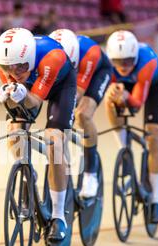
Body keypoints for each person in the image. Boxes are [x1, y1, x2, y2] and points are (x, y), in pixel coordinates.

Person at [0, 28, 77, 241]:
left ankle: (59, 216)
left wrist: (21, 93)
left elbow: (34, 101)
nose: (14, 72)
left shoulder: (52, 58)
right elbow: (17, 101)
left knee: (55, 142)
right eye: (8, 68)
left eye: (21, 66)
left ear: (29, 58)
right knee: (14, 134)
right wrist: (9, 96)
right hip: (32, 85)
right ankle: (27, 174)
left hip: (60, 87)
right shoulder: (5, 61)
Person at [104, 30, 158, 224]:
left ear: (135, 56)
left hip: (154, 85)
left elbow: (137, 103)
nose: (123, 66)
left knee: (153, 136)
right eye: (118, 61)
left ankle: (156, 199)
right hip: (128, 85)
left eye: (128, 60)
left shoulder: (146, 62)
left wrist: (125, 97)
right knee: (110, 99)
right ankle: (124, 148)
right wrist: (114, 94)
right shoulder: (107, 64)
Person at [49, 29, 112, 198]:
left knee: (83, 114)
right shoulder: (50, 55)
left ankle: (90, 173)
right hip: (67, 78)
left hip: (97, 73)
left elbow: (76, 93)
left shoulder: (89, 53)